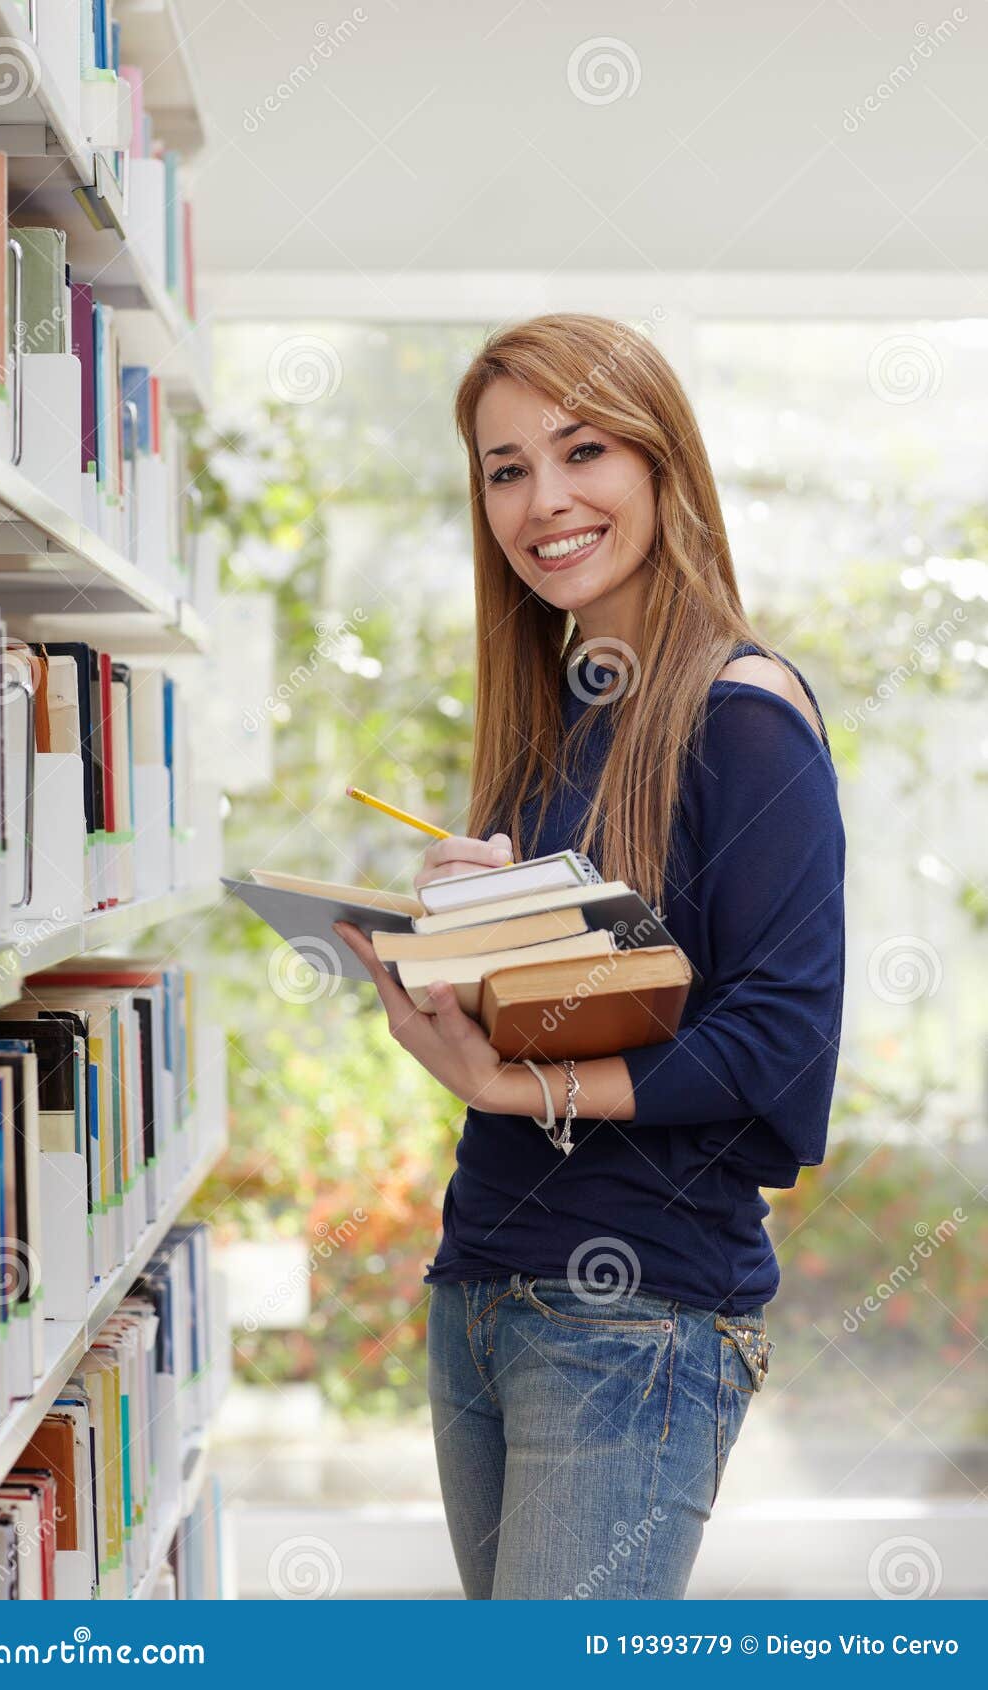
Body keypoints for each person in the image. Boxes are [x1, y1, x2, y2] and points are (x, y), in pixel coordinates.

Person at [335, 313, 846, 1600]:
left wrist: (522, 1086)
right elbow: (593, 1006)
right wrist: (464, 951)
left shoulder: (744, 716)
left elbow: (775, 1039)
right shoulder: (556, 712)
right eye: (504, 469)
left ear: (661, 463)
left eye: (581, 451)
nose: (541, 500)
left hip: (634, 1316)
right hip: (484, 1281)